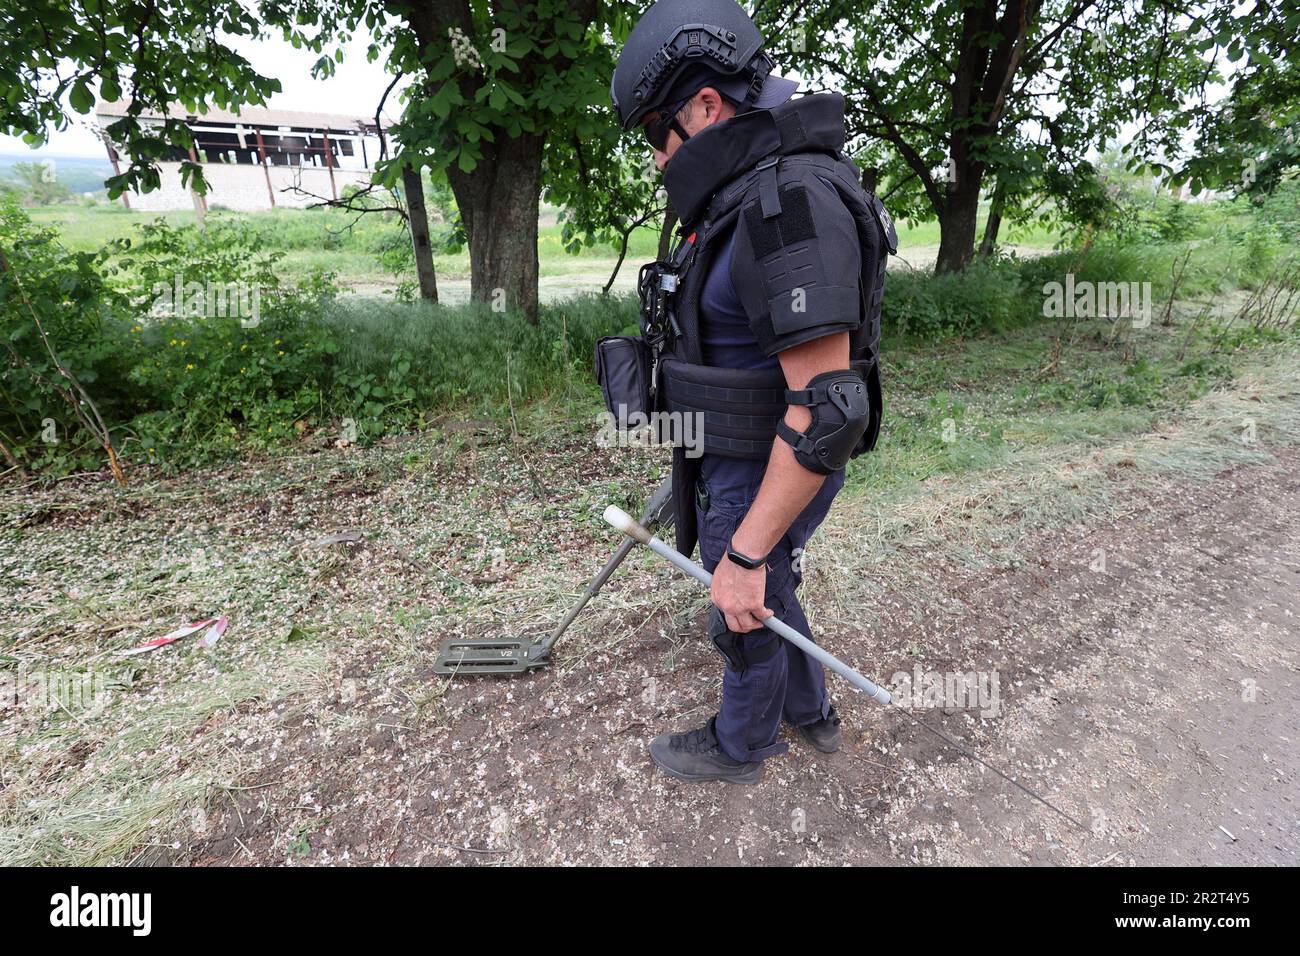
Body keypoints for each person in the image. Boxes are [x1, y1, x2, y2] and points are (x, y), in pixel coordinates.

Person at [609, 0, 895, 783]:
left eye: (655, 134)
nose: (658, 160)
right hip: (737, 453)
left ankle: (741, 744)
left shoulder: (786, 205)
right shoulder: (744, 195)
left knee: (742, 600)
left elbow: (828, 410)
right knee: (772, 583)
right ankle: (812, 711)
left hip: (766, 463)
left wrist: (743, 550)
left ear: (706, 106)